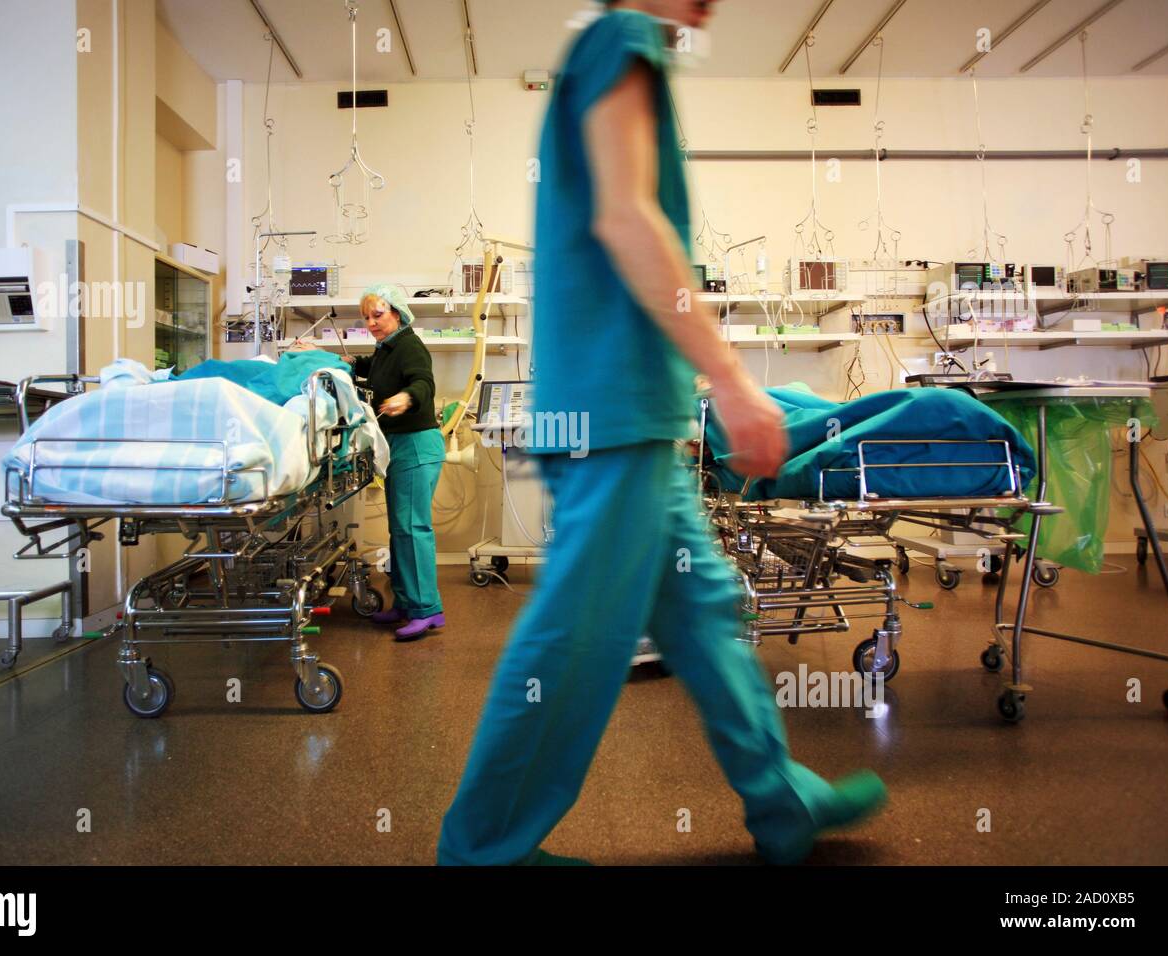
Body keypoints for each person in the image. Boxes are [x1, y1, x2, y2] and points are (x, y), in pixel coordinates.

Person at [438, 0, 886, 866]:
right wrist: (731, 380)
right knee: (572, 642)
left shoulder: (616, 55)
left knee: (705, 616)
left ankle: (781, 799)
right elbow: (628, 218)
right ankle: (483, 850)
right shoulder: (621, 42)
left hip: (631, 410)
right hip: (614, 413)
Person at [348, 283, 446, 642]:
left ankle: (427, 611)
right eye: (367, 317)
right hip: (399, 448)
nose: (372, 322)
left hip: (415, 447)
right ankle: (406, 603)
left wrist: (407, 397)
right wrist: (339, 362)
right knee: (400, 531)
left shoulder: (409, 346)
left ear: (399, 313)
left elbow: (423, 382)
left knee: (413, 529)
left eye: (378, 315)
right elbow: (370, 367)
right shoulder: (386, 350)